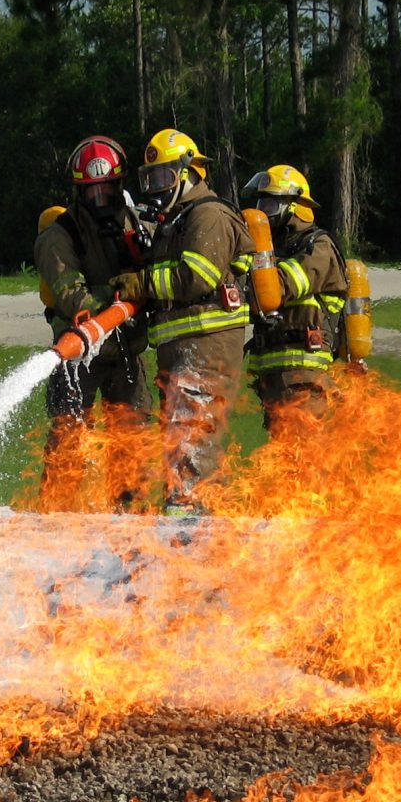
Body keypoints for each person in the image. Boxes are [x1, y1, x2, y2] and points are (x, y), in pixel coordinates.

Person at [111, 128, 252, 516]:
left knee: (192, 442)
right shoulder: (179, 219)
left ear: (188, 173)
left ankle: (193, 533)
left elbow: (198, 276)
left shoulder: (209, 214)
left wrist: (141, 282)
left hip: (206, 348)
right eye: (150, 180)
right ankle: (190, 524)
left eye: (164, 178)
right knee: (181, 442)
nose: (156, 188)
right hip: (184, 350)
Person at [34, 136, 153, 512]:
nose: (101, 199)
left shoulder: (136, 224)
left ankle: (130, 516)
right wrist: (117, 301)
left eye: (107, 190)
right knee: (69, 440)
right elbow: (71, 294)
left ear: (120, 186)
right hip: (77, 357)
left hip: (127, 354)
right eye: (92, 192)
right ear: (78, 192)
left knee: (132, 440)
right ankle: (55, 515)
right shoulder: (58, 236)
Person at [238, 164, 349, 435]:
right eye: (260, 203)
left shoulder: (317, 248)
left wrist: (258, 266)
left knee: (305, 460)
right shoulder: (276, 250)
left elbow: (279, 287)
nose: (262, 212)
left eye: (270, 204)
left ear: (295, 205)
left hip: (304, 378)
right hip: (276, 378)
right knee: (285, 463)